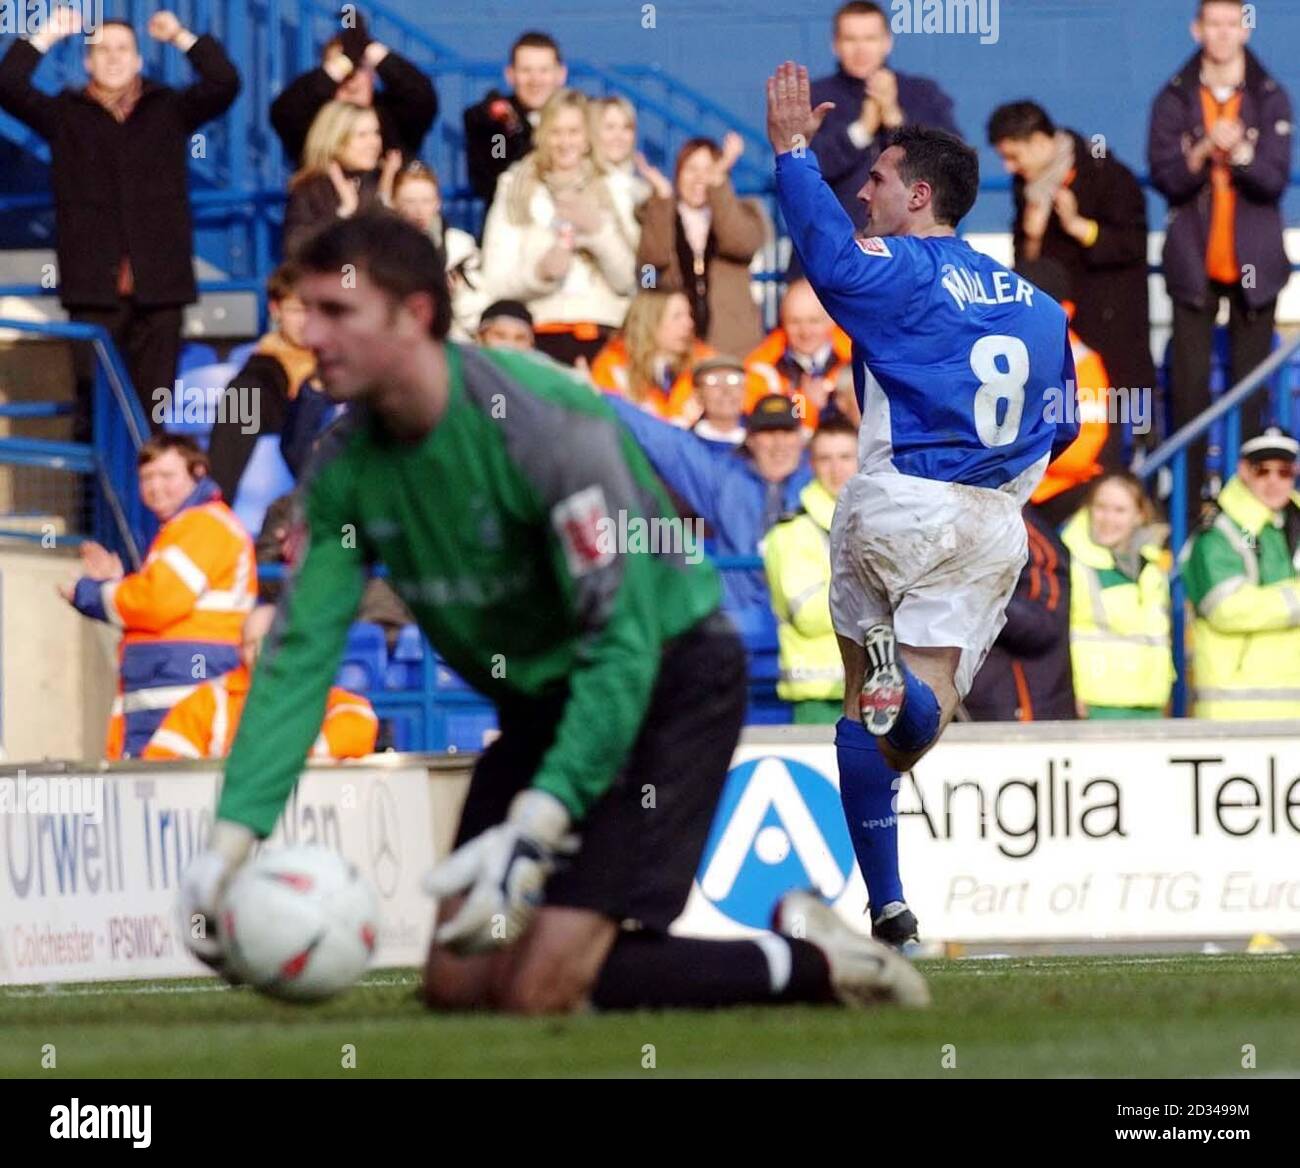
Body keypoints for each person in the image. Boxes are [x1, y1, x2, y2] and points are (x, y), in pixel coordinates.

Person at [176, 213, 928, 1014]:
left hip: (661, 679)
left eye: (336, 312)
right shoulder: (341, 465)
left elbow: (623, 645)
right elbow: (299, 655)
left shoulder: (542, 424)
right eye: (306, 310)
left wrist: (541, 819)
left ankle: (818, 966)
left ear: (416, 315)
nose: (309, 331)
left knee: (543, 987)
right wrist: (228, 843)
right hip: (545, 699)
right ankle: (778, 950)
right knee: (458, 987)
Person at [767, 63, 1077, 947]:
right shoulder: (1042, 309)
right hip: (990, 521)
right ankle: (893, 914)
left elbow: (826, 258)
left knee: (858, 708)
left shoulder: (904, 270)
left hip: (897, 502)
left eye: (875, 179)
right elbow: (1059, 429)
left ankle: (889, 906)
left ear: (922, 195)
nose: (861, 190)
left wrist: (792, 151)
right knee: (908, 728)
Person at [0, 10, 239, 434]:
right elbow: (8, 84)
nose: (113, 58)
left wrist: (181, 37)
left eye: (123, 49)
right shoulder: (65, 114)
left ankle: (145, 501)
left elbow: (224, 83)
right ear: (87, 62)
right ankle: (98, 502)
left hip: (161, 290)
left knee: (154, 414)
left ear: (138, 60)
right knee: (96, 408)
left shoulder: (169, 109)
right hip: (93, 290)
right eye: (101, 50)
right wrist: (48, 33)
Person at [1148, 0, 1293, 522]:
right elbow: (1165, 175)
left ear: (1246, 29)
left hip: (1256, 270)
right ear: (1198, 29)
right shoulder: (1174, 95)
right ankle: (1186, 518)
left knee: (1251, 398)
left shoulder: (1270, 95)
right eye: (1214, 24)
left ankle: (1246, 519)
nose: (1224, 34)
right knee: (1187, 397)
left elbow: (1275, 178)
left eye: (1234, 24)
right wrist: (1202, 150)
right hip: (1193, 269)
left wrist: (1245, 154)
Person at [58, 434, 256, 759]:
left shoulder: (205, 525)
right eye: (147, 478)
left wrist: (94, 593)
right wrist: (119, 582)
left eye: (167, 476)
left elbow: (158, 602)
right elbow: (164, 598)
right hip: (168, 684)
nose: (155, 487)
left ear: (199, 473)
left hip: (182, 686)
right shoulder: (185, 529)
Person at [989, 100, 1154, 466]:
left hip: (1112, 327)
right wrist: (1030, 235)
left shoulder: (1106, 174)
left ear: (1036, 141)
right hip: (1060, 331)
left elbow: (1133, 244)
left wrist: (1082, 228)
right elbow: (1028, 271)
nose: (1009, 167)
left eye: (1013, 156)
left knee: (1122, 422)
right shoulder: (1027, 189)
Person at [608, 391, 812, 626]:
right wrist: (598, 394)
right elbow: (668, 444)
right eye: (768, 433)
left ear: (800, 439)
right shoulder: (724, 480)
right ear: (750, 439)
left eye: (787, 433)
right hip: (743, 630)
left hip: (809, 636)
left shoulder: (822, 482)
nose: (779, 445)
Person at [478, 89, 638, 366]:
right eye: (556, 132)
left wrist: (600, 234)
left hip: (605, 338)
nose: (565, 142)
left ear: (588, 137)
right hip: (540, 337)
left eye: (574, 132)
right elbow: (495, 279)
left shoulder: (616, 189)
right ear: (542, 135)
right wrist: (540, 273)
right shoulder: (515, 188)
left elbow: (633, 280)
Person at [143, 604, 377, 761]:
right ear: (240, 652)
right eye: (250, 644)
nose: (260, 652)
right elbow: (163, 762)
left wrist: (288, 755)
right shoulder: (211, 700)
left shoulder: (316, 692)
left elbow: (360, 725)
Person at [1181, 428, 1300, 720]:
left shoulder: (1293, 521)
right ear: (1243, 471)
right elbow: (1226, 608)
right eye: (1262, 471)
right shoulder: (1219, 532)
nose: (1274, 482)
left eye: (1283, 472)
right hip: (1235, 712)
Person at [809, 2, 958, 233]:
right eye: (851, 40)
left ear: (887, 42)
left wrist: (894, 118)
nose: (861, 50)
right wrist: (861, 130)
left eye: (870, 39)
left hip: (912, 243)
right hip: (836, 240)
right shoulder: (816, 97)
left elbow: (951, 162)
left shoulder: (922, 93)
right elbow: (801, 167)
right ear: (835, 45)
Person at [762, 418, 859, 723]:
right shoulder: (789, 533)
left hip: (878, 688)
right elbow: (807, 614)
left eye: (845, 457)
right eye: (825, 458)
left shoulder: (883, 522)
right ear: (811, 464)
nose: (836, 469)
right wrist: (874, 597)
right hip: (819, 695)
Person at [635, 135, 767, 358]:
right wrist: (663, 199)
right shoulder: (659, 212)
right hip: (678, 346)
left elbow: (741, 244)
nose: (699, 178)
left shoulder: (744, 212)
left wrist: (718, 184)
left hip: (733, 345)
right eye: (691, 169)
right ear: (678, 173)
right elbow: (650, 266)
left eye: (709, 169)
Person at [1061, 473, 1174, 719]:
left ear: (1139, 516)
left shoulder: (1152, 567)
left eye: (1120, 510)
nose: (1108, 519)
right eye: (1101, 508)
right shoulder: (1071, 562)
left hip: (1149, 703)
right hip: (1096, 705)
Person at [207, 263, 319, 502]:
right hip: (283, 433)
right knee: (244, 394)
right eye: (296, 310)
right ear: (275, 310)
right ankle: (216, 505)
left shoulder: (343, 360)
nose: (305, 321)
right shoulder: (262, 369)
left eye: (313, 310)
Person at [270, 8, 436, 166]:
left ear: (373, 74)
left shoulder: (393, 118)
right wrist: (345, 62)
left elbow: (421, 95)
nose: (350, 78)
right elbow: (284, 112)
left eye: (359, 67)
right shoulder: (314, 123)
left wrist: (368, 47)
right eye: (342, 68)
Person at [1016, 259, 1111, 528]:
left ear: (1065, 310)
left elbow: (1078, 455)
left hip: (1057, 495)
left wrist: (1016, 453)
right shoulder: (994, 353)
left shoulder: (1083, 363)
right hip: (1007, 491)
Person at [962, 507, 1075, 723]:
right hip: (960, 708)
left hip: (1026, 714)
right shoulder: (938, 521)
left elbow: (1042, 624)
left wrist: (971, 595)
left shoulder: (1028, 533)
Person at [282, 101, 401, 255]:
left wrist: (386, 197)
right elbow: (295, 247)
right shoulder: (310, 188)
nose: (374, 142)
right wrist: (344, 213)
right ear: (335, 139)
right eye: (362, 135)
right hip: (338, 277)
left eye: (376, 133)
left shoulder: (373, 181)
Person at [463, 32, 567, 204]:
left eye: (544, 70)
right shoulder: (493, 123)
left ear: (561, 74)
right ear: (510, 75)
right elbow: (493, 175)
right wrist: (506, 126)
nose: (535, 80)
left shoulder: (580, 118)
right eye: (526, 70)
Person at [392, 163, 485, 339]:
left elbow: (477, 316)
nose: (419, 210)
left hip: (450, 343)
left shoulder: (460, 247)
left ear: (438, 203)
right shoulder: (380, 249)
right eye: (409, 202)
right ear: (394, 203)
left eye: (426, 201)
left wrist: (455, 296)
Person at [589, 289, 712, 423]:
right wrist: (682, 422)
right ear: (649, 323)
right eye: (677, 316)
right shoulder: (612, 369)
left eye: (689, 315)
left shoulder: (704, 360)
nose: (689, 324)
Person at [745, 278, 853, 429]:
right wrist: (805, 408)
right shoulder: (761, 368)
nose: (805, 332)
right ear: (783, 323)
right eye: (795, 322)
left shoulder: (857, 360)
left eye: (813, 321)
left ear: (831, 321)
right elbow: (758, 425)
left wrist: (829, 407)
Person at [590, 95, 650, 206]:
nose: (619, 136)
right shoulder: (583, 186)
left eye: (626, 127)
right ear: (594, 131)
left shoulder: (642, 192)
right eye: (610, 127)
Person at [691, 355, 751, 450]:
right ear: (698, 394)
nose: (726, 391)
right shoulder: (685, 445)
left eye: (734, 381)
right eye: (714, 382)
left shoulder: (760, 442)